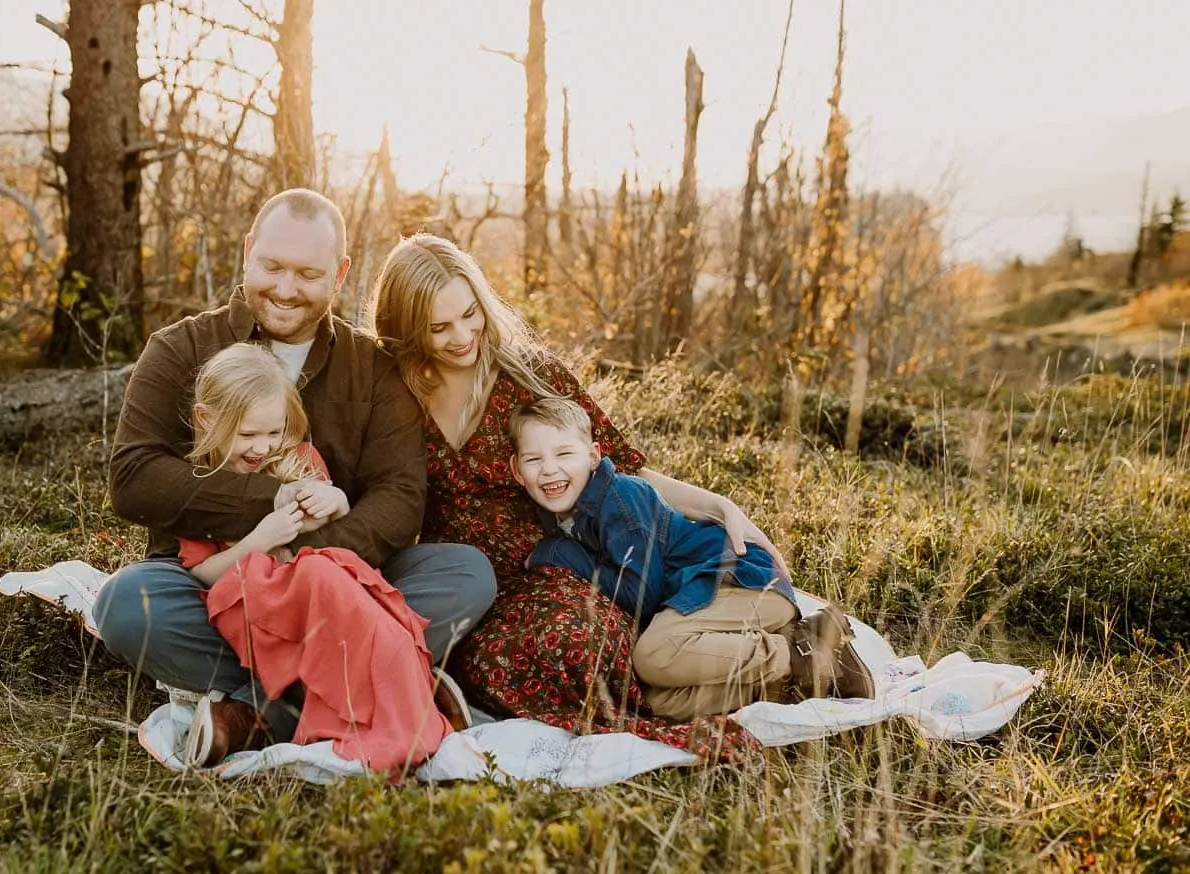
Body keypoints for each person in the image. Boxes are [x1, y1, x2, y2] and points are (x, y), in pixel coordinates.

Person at [93, 189, 496, 763]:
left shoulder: (373, 368)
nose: (285, 289)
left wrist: (312, 566)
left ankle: (257, 710)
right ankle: (375, 684)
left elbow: (401, 497)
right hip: (216, 586)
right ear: (248, 252)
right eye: (272, 267)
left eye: (307, 274)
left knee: (467, 573)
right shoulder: (180, 348)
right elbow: (135, 479)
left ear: (340, 274)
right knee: (127, 605)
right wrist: (273, 503)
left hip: (347, 584)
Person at [368, 232, 788, 760]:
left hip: (556, 566)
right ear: (407, 328)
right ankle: (707, 686)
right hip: (467, 585)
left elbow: (623, 470)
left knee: (581, 643)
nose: (461, 335)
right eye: (438, 327)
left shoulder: (529, 375)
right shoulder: (393, 392)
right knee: (493, 661)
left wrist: (721, 506)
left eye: (470, 314)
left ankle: (754, 668)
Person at [172, 342, 457, 771]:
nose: (263, 447)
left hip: (323, 602)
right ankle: (391, 697)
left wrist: (336, 500)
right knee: (142, 606)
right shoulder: (200, 485)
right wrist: (259, 540)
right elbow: (202, 573)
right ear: (206, 420)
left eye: (274, 432)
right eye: (247, 435)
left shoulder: (300, 458)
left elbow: (329, 526)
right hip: (258, 609)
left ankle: (392, 697)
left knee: (358, 585)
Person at [507, 396, 874, 719]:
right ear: (516, 471)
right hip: (708, 605)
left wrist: (560, 554)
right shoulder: (565, 512)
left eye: (564, 453)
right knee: (659, 699)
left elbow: (641, 596)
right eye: (534, 459)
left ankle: (802, 652)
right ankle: (785, 683)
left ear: (593, 456)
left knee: (654, 655)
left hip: (739, 581)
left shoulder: (622, 501)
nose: (549, 468)